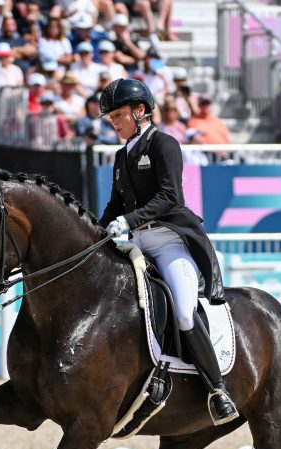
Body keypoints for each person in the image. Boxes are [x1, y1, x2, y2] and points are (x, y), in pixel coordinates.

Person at [96, 77, 238, 425]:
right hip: (135, 244)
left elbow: (169, 197)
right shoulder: (120, 156)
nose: (114, 122)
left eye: (118, 115)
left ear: (140, 111)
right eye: (110, 117)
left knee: (186, 313)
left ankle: (217, 390)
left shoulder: (164, 145)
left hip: (167, 240)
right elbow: (114, 204)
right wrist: (97, 231)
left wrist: (127, 220)